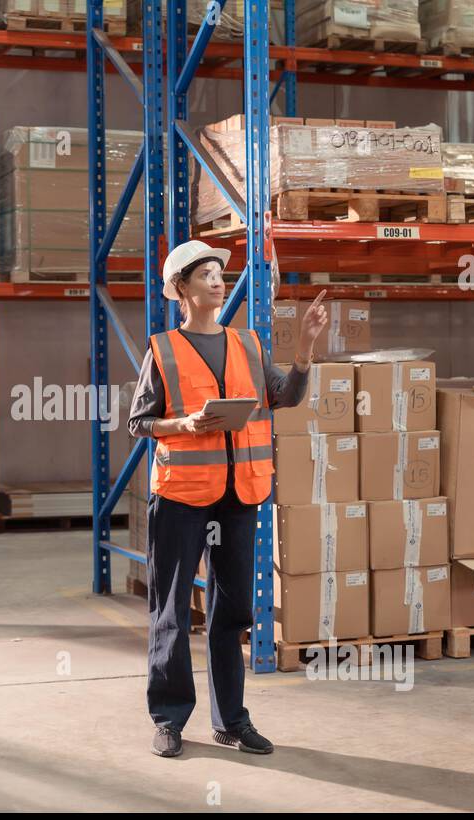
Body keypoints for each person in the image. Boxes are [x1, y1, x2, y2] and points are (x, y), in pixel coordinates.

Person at [128, 239, 328, 758]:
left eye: (220, 272)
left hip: (240, 495)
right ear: (181, 290)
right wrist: (184, 423)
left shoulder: (249, 344)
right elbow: (138, 422)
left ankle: (232, 721)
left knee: (232, 611)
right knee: (171, 609)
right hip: (181, 496)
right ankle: (169, 719)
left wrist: (305, 347)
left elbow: (284, 396)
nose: (218, 280)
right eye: (205, 275)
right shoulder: (162, 349)